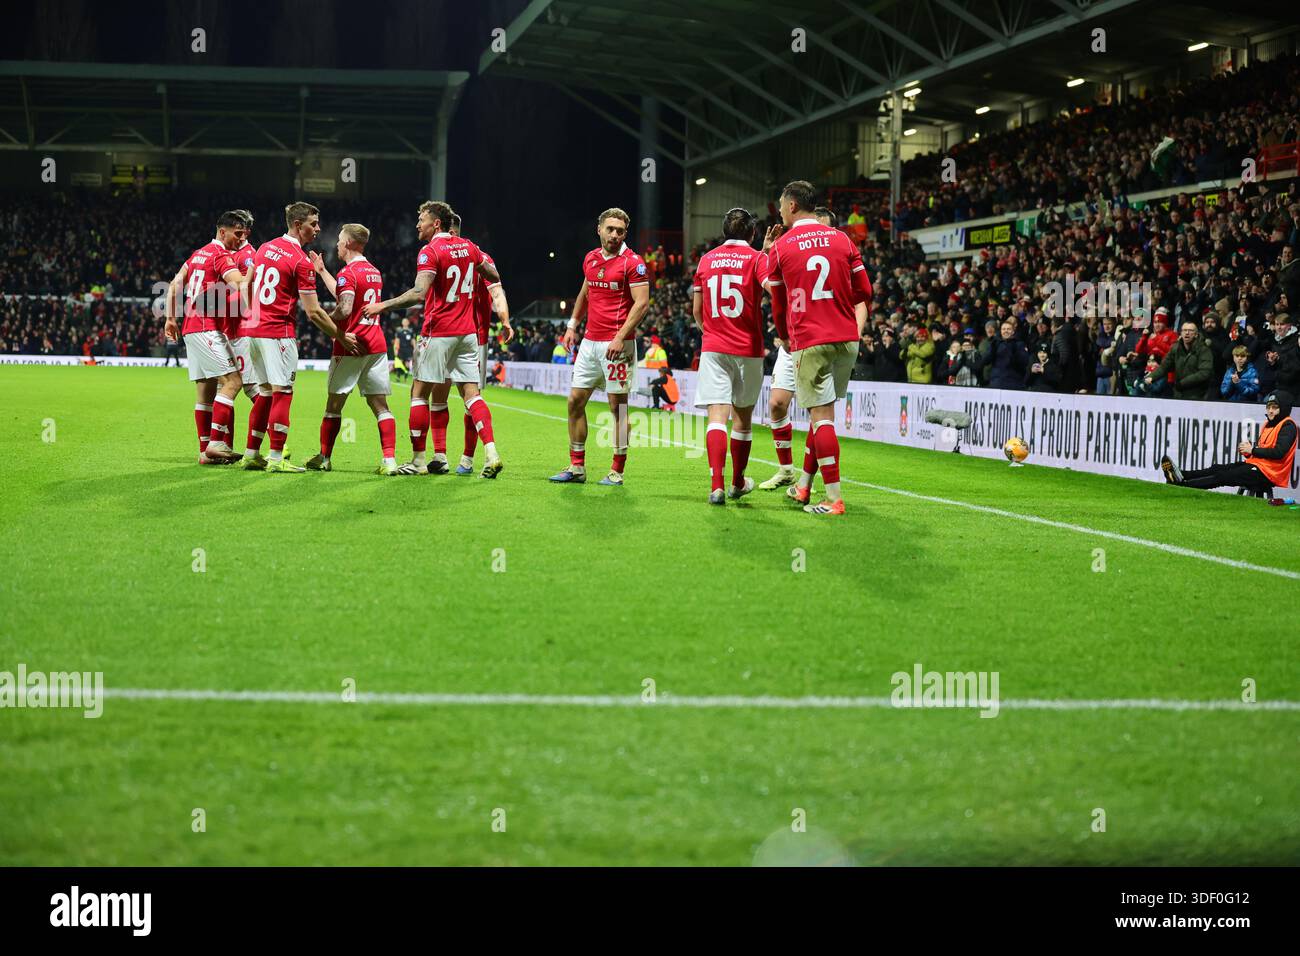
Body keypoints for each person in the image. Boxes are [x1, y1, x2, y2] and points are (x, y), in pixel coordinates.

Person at [363, 201, 505, 478]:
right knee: (471, 395)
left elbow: (418, 293)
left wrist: (383, 305)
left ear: (436, 224)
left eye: (422, 220)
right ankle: (491, 453)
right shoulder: (470, 247)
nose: (418, 224)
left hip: (438, 331)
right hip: (467, 334)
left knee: (418, 394)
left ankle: (418, 462)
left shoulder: (430, 251)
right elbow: (493, 275)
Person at [764, 180, 872, 515]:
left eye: (781, 204)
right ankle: (804, 488)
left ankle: (834, 498)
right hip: (846, 338)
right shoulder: (842, 239)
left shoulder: (782, 246)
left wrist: (784, 335)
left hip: (811, 340)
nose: (780, 210)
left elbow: (778, 305)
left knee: (822, 418)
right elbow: (864, 290)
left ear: (793, 205)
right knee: (820, 416)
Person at [240, 201, 359, 473]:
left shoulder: (264, 248)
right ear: (297, 225)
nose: (318, 229)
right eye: (313, 224)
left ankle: (251, 453)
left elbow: (246, 286)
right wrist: (341, 336)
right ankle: (276, 456)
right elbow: (314, 312)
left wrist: (253, 315)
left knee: (265, 393)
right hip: (278, 333)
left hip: (254, 331)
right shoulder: (300, 261)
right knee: (283, 392)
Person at [757, 207, 857, 491]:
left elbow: (859, 297)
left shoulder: (833, 253)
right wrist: (766, 254)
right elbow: (771, 287)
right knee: (777, 403)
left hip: (817, 339)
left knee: (819, 415)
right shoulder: (794, 253)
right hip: (792, 342)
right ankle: (788, 470)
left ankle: (809, 483)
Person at [550, 207, 650, 486]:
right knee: (574, 401)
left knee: (617, 407)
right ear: (599, 230)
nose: (614, 234)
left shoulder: (633, 262)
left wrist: (621, 336)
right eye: (610, 229)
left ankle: (617, 470)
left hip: (618, 344)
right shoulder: (591, 259)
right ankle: (577, 466)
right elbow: (585, 293)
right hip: (590, 343)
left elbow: (642, 304)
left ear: (625, 234)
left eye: (620, 230)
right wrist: (572, 325)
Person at [303, 224, 399, 475]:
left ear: (349, 244)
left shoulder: (348, 272)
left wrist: (325, 319)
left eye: (339, 240)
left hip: (351, 345)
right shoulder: (374, 272)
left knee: (334, 406)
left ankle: (324, 457)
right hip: (376, 344)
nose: (337, 244)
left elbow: (345, 309)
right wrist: (322, 272)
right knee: (380, 405)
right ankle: (389, 461)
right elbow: (346, 293)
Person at [163, 210, 250, 464]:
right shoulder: (221, 255)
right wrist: (257, 270)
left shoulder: (198, 254)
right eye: (237, 233)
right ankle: (215, 443)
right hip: (207, 328)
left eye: (244, 234)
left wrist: (170, 318)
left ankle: (204, 453)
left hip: (190, 328)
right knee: (233, 382)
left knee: (205, 390)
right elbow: (240, 285)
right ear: (222, 231)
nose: (240, 238)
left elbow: (175, 284)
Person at [691, 207, 765, 504]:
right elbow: (775, 290)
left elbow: (697, 311)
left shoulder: (706, 260)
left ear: (724, 232)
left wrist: (710, 331)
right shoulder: (757, 258)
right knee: (742, 419)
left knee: (717, 418)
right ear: (751, 233)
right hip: (748, 347)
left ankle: (716, 485)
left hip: (715, 346)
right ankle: (737, 482)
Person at [450, 214, 513, 476]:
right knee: (471, 397)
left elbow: (496, 293)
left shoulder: (439, 252)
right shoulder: (480, 255)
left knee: (451, 396)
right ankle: (466, 458)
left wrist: (505, 319)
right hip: (476, 337)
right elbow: (498, 292)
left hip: (454, 334)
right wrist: (505, 322)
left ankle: (439, 457)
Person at [1162, 391, 1295, 494]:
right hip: (1259, 466)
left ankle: (1184, 487)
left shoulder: (1288, 425)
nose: (1270, 411)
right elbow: (1263, 450)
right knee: (1217, 468)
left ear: (1283, 408)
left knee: (1223, 476)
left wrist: (1252, 450)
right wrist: (1248, 452)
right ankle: (1183, 474)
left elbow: (1278, 453)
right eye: (1268, 407)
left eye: (1275, 407)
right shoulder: (1268, 424)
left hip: (1270, 473)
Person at [1145, 320, 1213, 400]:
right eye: (1184, 330)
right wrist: (1152, 377)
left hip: (1197, 394)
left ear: (1196, 335)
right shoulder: (1175, 348)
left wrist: (1183, 383)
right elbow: (1164, 366)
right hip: (1178, 394)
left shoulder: (1203, 350)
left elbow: (1205, 373)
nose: (1187, 333)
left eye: (1190, 330)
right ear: (1181, 333)